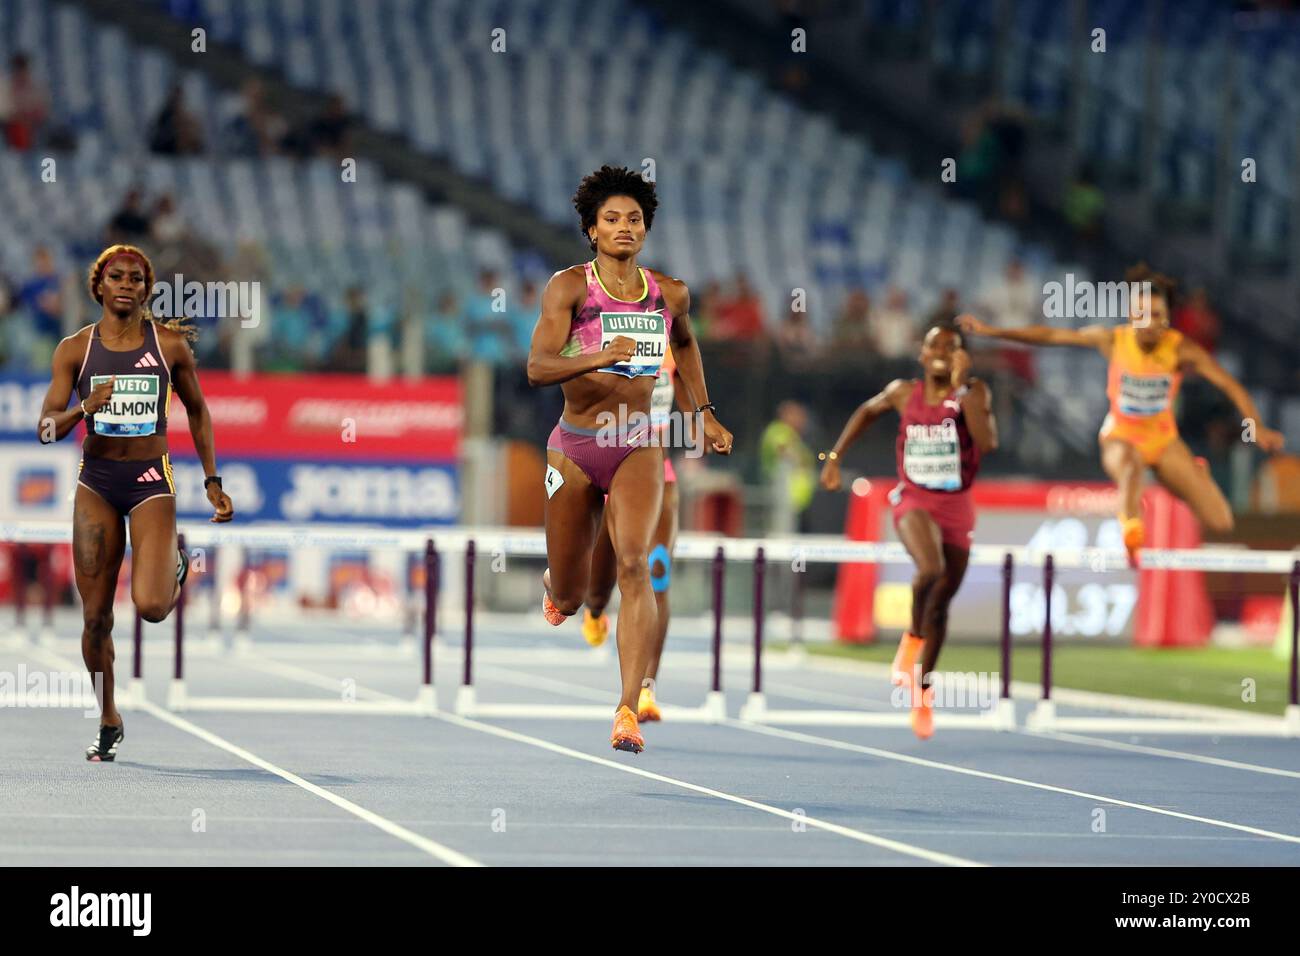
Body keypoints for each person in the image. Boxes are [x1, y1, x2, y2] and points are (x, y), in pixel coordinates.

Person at [527, 165, 732, 753]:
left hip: (639, 441)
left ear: (646, 230)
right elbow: (538, 367)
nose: (624, 227)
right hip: (574, 446)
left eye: (634, 219)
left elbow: (686, 343)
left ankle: (626, 708)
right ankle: (556, 587)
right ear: (592, 230)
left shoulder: (670, 293)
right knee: (570, 596)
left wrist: (704, 412)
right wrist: (595, 357)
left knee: (636, 563)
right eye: (611, 219)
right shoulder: (568, 288)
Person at [37, 244, 234, 761]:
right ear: (99, 285)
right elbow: (44, 429)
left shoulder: (168, 347)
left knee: (150, 608)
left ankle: (176, 563)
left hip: (150, 481)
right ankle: (107, 717)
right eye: (117, 276)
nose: (127, 284)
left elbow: (197, 412)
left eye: (137, 279)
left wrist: (212, 480)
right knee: (96, 620)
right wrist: (84, 408)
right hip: (97, 484)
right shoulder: (73, 350)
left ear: (147, 290)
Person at [958, 264, 1284, 565]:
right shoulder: (1112, 339)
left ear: (1168, 318)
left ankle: (1187, 477)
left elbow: (1230, 385)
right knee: (1130, 469)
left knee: (1221, 520)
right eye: (1144, 314)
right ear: (1131, 314)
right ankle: (1131, 533)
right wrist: (993, 332)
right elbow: (1050, 336)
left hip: (1163, 440)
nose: (1151, 323)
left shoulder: (1181, 349)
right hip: (1121, 436)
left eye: (1158, 315)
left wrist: (1256, 427)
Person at [820, 323, 997, 738]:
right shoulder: (903, 392)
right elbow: (866, 411)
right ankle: (912, 641)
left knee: (940, 605)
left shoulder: (974, 392)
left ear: (960, 356)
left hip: (956, 507)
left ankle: (922, 693)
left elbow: (987, 442)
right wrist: (833, 457)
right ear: (921, 353)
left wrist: (964, 388)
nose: (941, 350)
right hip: (913, 499)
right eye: (934, 344)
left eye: (950, 347)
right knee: (929, 570)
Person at [580, 346, 692, 722]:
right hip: (608, 466)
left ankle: (645, 688)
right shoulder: (604, 329)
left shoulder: (673, 335)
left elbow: (690, 384)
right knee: (602, 577)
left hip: (656, 472)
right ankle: (595, 609)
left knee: (655, 573)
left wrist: (700, 422)